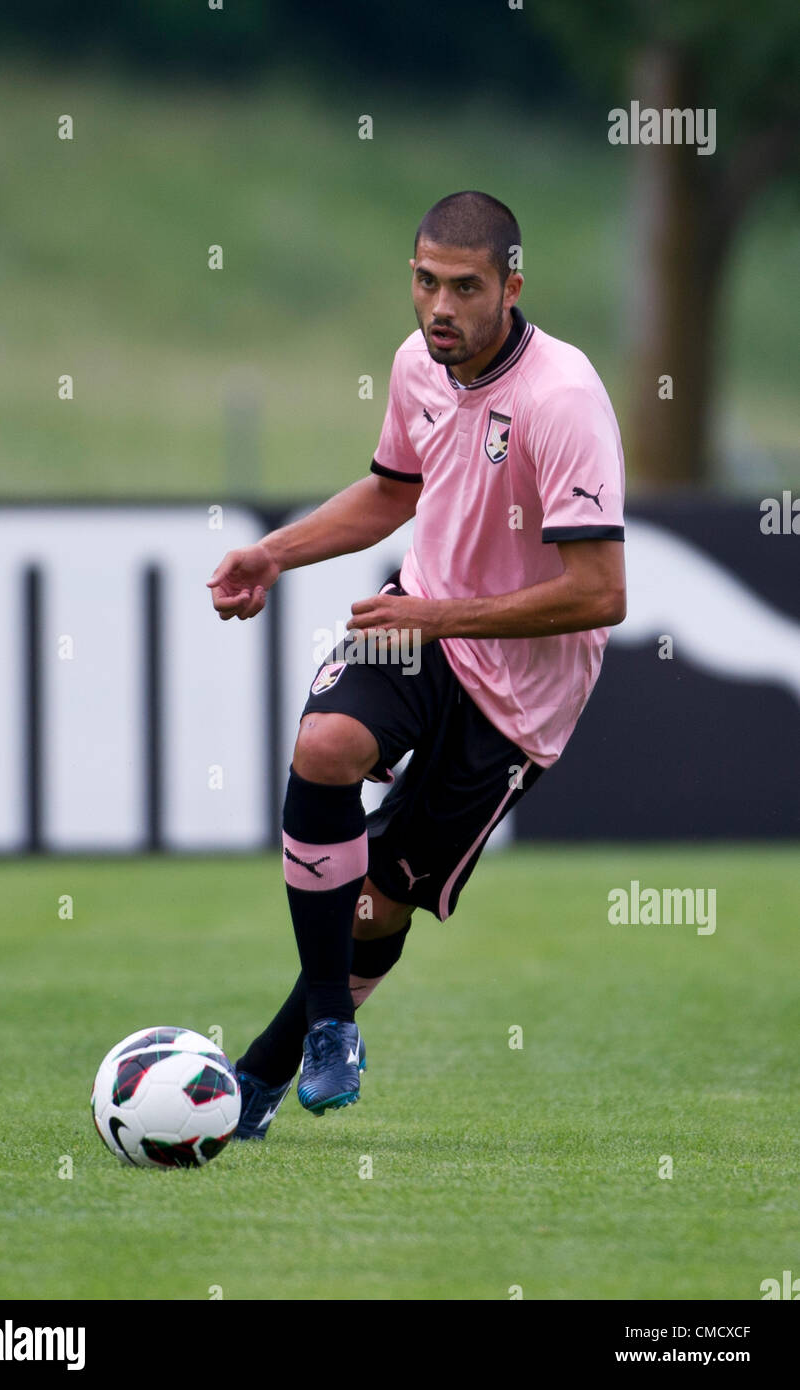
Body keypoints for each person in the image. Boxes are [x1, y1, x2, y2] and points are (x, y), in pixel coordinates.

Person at [207, 190, 626, 1138]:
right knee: (326, 745)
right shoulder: (417, 364)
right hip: (420, 619)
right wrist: (275, 552)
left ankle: (259, 1080)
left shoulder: (562, 399)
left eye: (466, 287)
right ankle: (326, 1028)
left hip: (519, 696)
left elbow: (601, 593)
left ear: (512, 286)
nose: (441, 307)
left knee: (378, 904)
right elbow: (396, 491)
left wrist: (442, 616)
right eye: (427, 282)